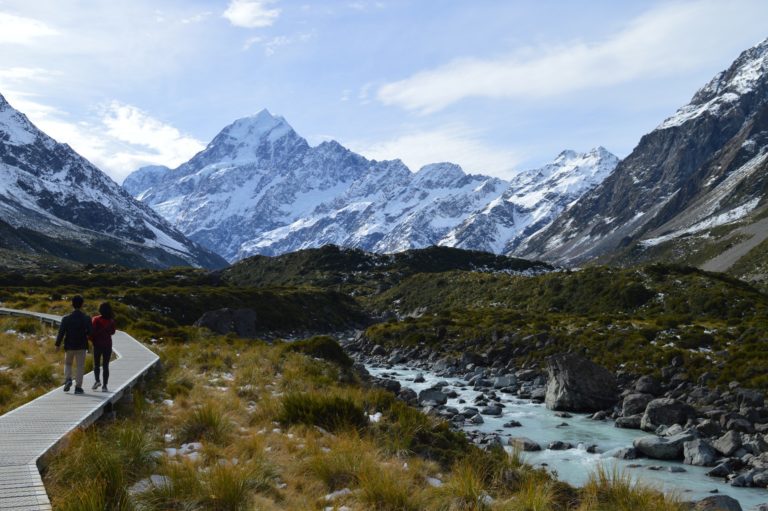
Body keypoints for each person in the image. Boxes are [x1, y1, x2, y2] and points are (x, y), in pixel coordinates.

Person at [55, 295, 92, 395]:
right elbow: (90, 332)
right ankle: (78, 388)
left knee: (68, 364)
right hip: (81, 345)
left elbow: (61, 332)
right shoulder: (86, 318)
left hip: (69, 345)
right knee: (80, 366)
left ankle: (68, 379)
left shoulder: (66, 318)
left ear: (72, 304)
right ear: (82, 304)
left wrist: (57, 345)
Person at [91, 302, 116, 392]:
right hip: (107, 344)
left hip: (97, 344)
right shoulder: (111, 321)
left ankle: (97, 381)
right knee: (106, 365)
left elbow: (92, 331)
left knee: (96, 364)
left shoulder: (96, 319)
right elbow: (113, 332)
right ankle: (105, 386)